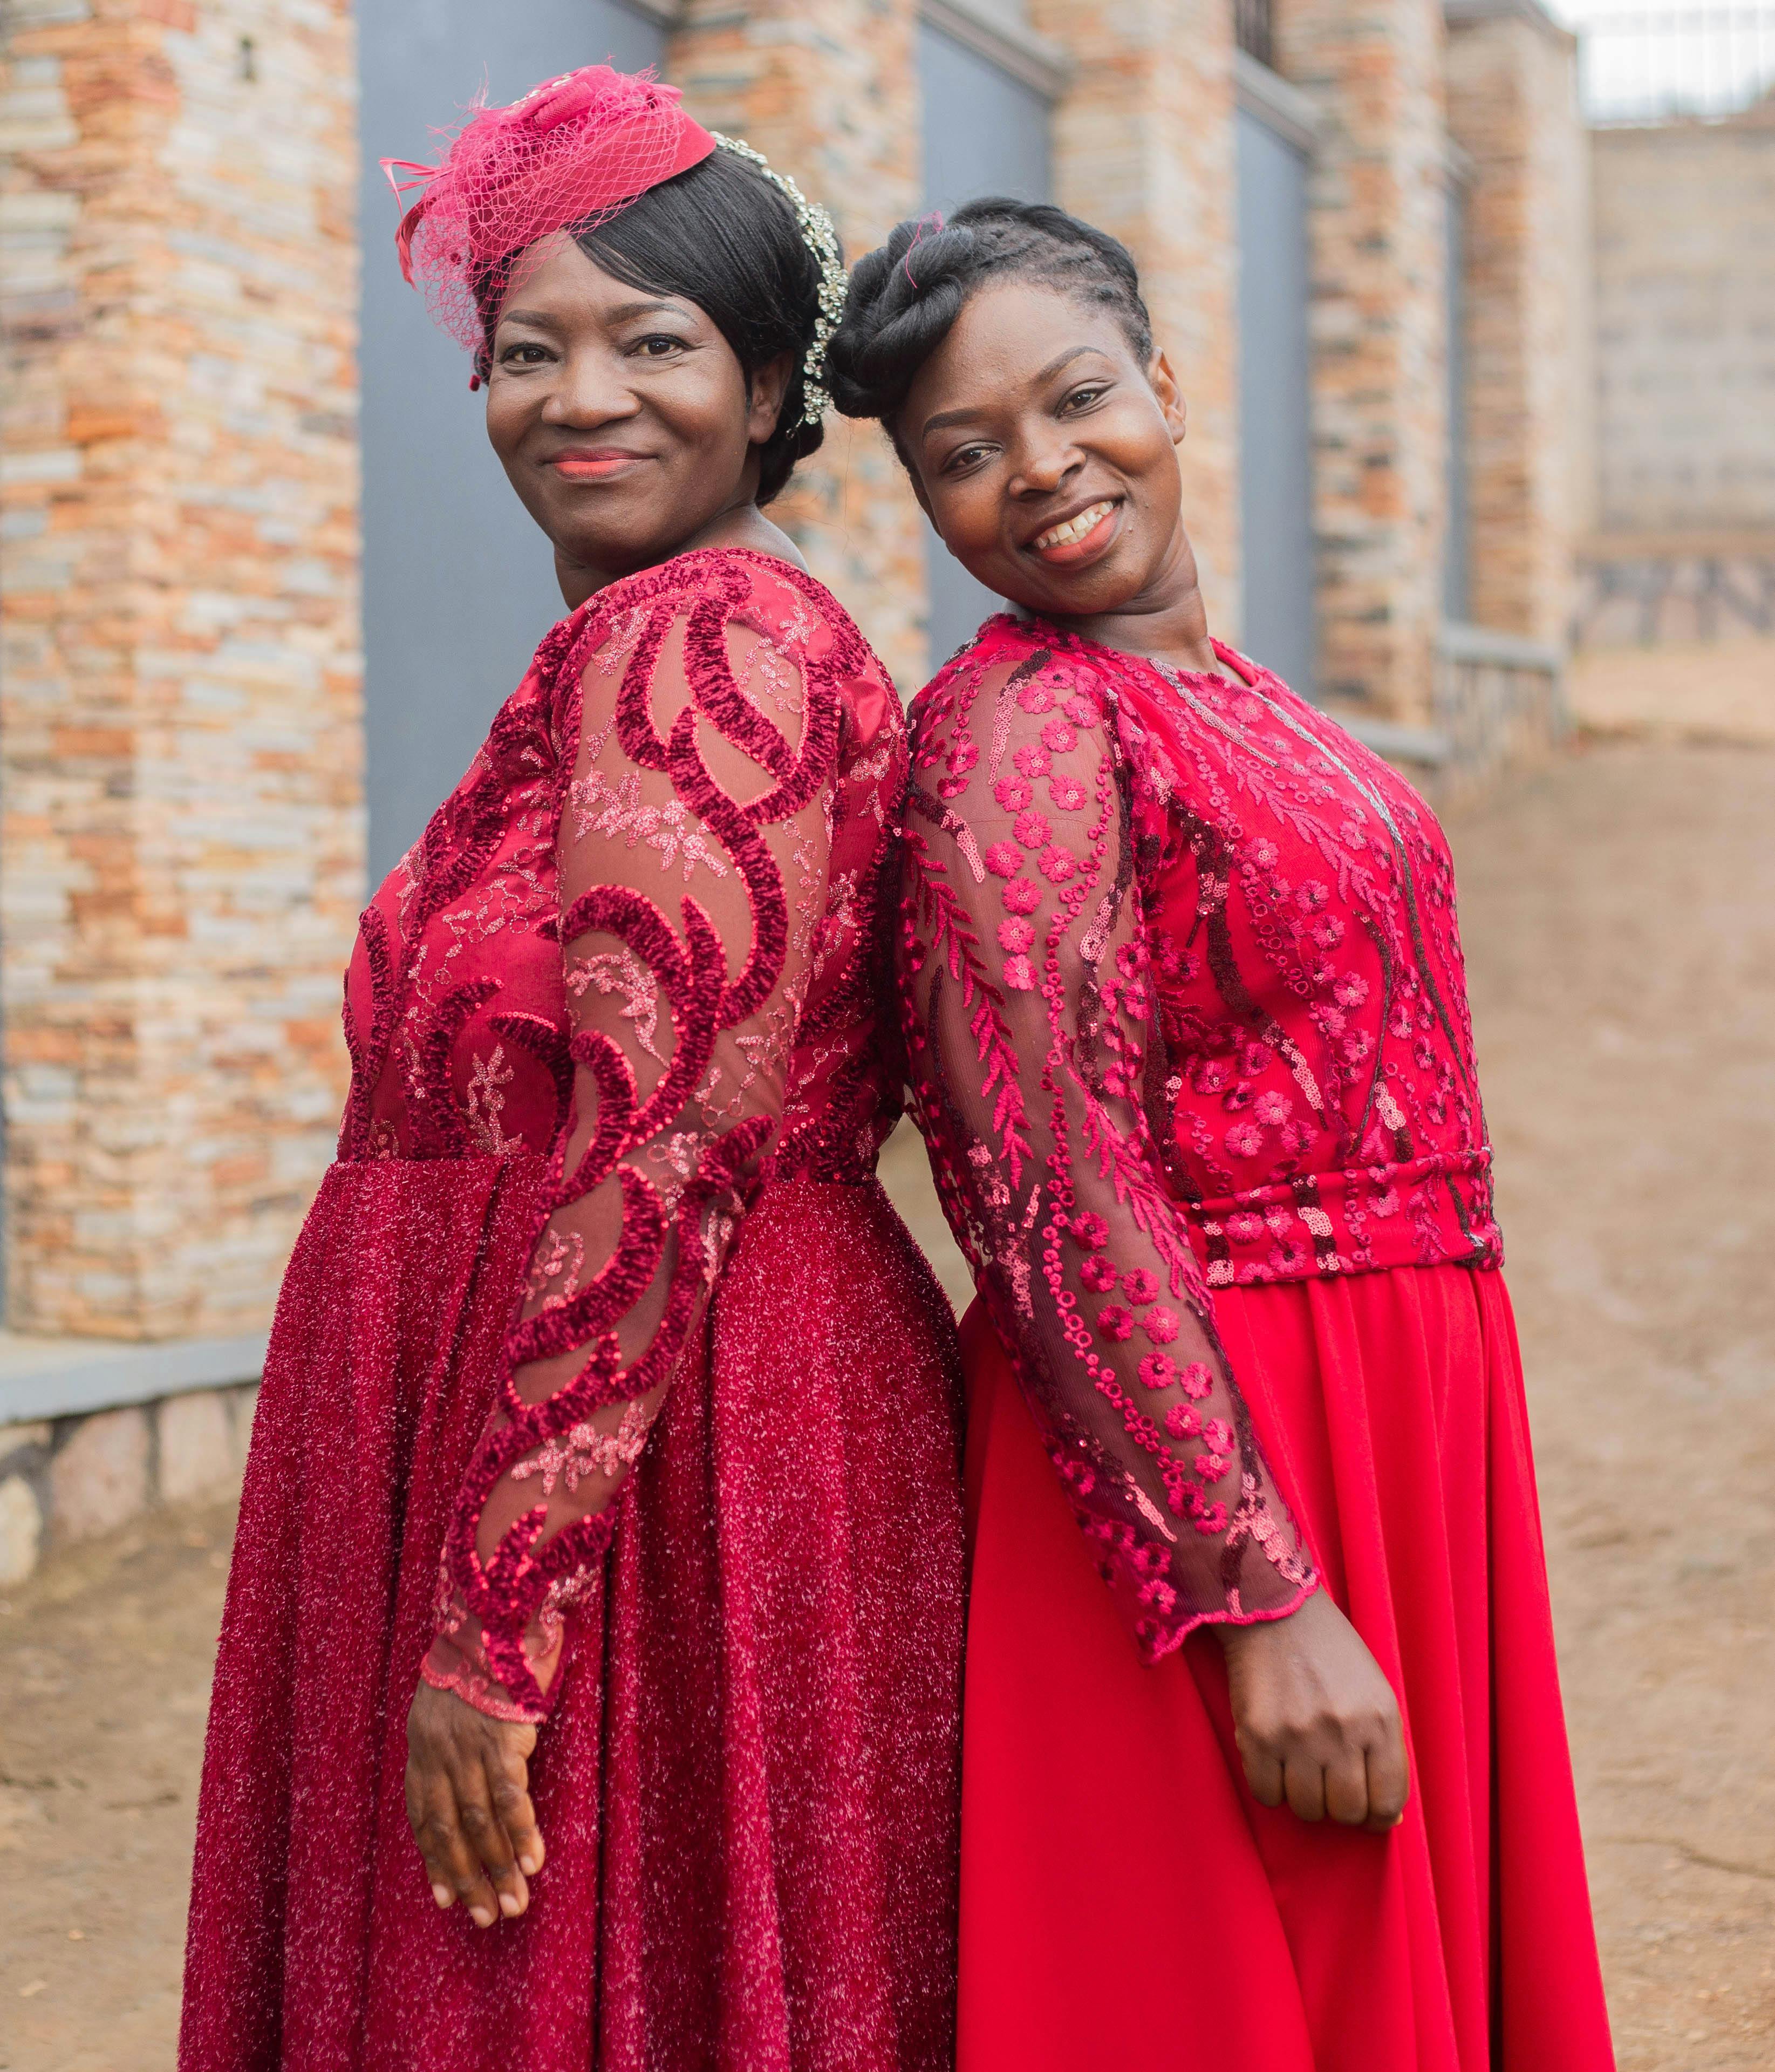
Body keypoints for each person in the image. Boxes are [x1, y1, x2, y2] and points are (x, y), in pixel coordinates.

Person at [180, 69, 963, 2072]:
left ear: (772, 377)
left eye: (653, 342)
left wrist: (497, 1616)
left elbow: (664, 1130)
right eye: (531, 350)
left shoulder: (703, 645)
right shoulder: (632, 639)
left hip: (661, 1458)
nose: (582, 396)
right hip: (569, 1418)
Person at [825, 198, 1615, 2072]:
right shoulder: (1014, 733)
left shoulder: (1219, 688)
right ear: (925, 504)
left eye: (1076, 397)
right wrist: (1252, 1600)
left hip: (1390, 1413)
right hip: (1212, 1468)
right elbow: (1042, 1193)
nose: (1039, 470)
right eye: (961, 454)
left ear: (1165, 386)